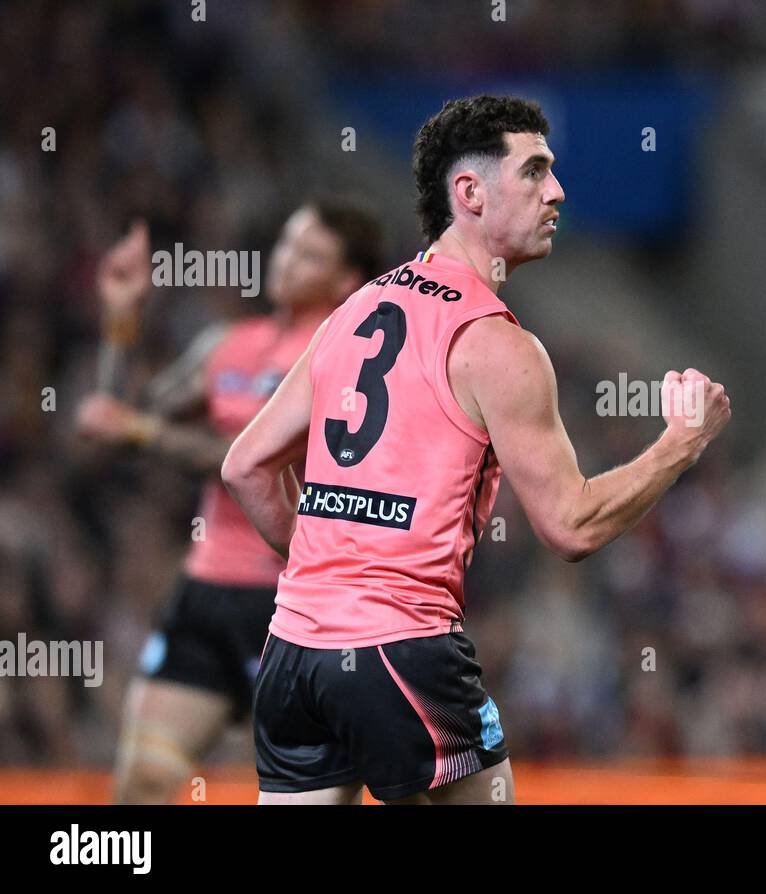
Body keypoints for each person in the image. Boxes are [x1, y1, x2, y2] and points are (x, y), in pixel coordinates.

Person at [221, 95, 731, 805]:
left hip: (292, 655)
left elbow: (244, 466)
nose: (558, 191)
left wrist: (323, 574)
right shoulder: (497, 343)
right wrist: (680, 445)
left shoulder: (357, 307)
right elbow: (571, 526)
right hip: (403, 648)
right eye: (535, 172)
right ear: (469, 193)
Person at [76, 200, 384, 803]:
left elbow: (259, 460)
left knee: (307, 800)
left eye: (311, 254)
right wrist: (120, 322)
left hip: (298, 604)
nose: (287, 260)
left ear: (348, 280)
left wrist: (149, 435)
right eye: (287, 243)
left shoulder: (350, 358)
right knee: (143, 783)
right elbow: (116, 423)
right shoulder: (227, 345)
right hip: (209, 594)